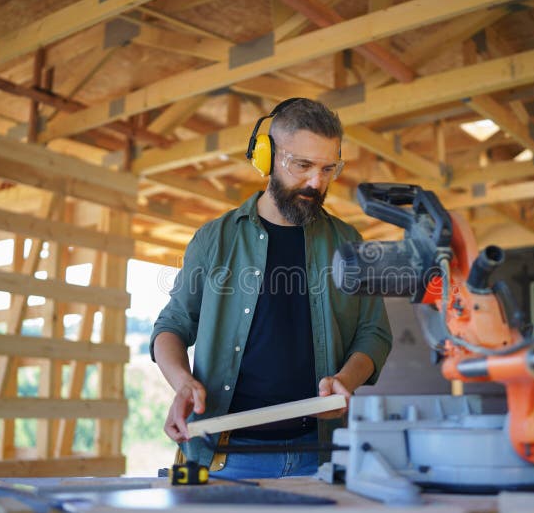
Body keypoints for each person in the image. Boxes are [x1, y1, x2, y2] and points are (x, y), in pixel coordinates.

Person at [149, 97, 392, 479]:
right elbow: (172, 326)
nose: (317, 182)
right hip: (225, 459)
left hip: (322, 456)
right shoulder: (215, 238)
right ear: (267, 158)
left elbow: (373, 333)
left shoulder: (349, 243)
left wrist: (346, 381)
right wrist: (182, 384)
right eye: (303, 165)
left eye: (329, 168)